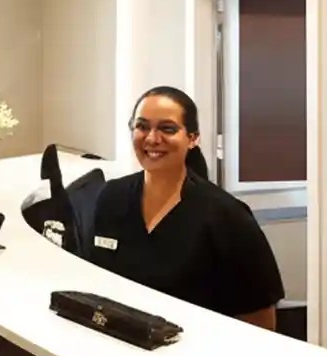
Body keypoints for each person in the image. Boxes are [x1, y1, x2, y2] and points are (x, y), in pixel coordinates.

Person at [90, 86, 285, 329]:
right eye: (142, 126)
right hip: (120, 349)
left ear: (192, 138)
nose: (152, 138)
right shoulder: (112, 197)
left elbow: (259, 319)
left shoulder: (227, 216)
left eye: (167, 128)